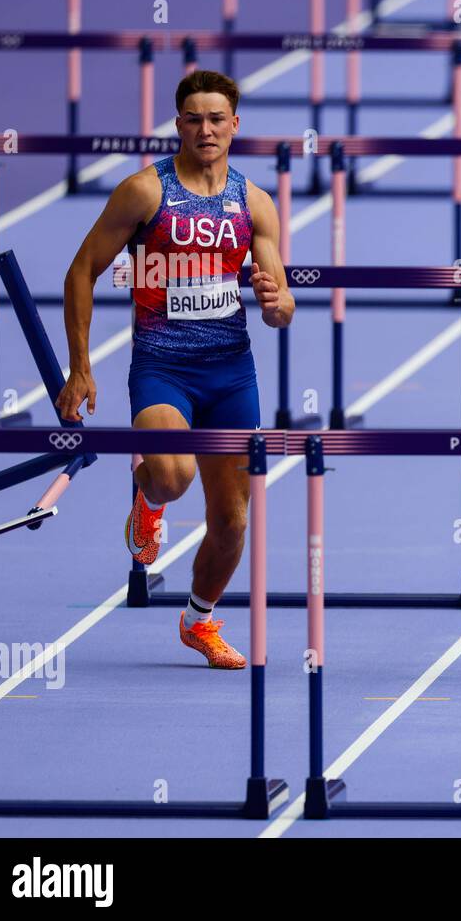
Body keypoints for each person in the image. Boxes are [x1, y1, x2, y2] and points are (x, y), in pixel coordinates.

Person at [55, 70, 295, 669]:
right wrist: (79, 368)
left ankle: (199, 621)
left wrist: (276, 303)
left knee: (233, 521)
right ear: (178, 124)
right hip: (163, 365)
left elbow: (282, 307)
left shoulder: (254, 203)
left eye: (217, 119)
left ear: (235, 125)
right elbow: (81, 270)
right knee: (169, 475)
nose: (206, 129)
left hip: (231, 372)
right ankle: (148, 500)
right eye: (194, 119)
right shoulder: (145, 192)